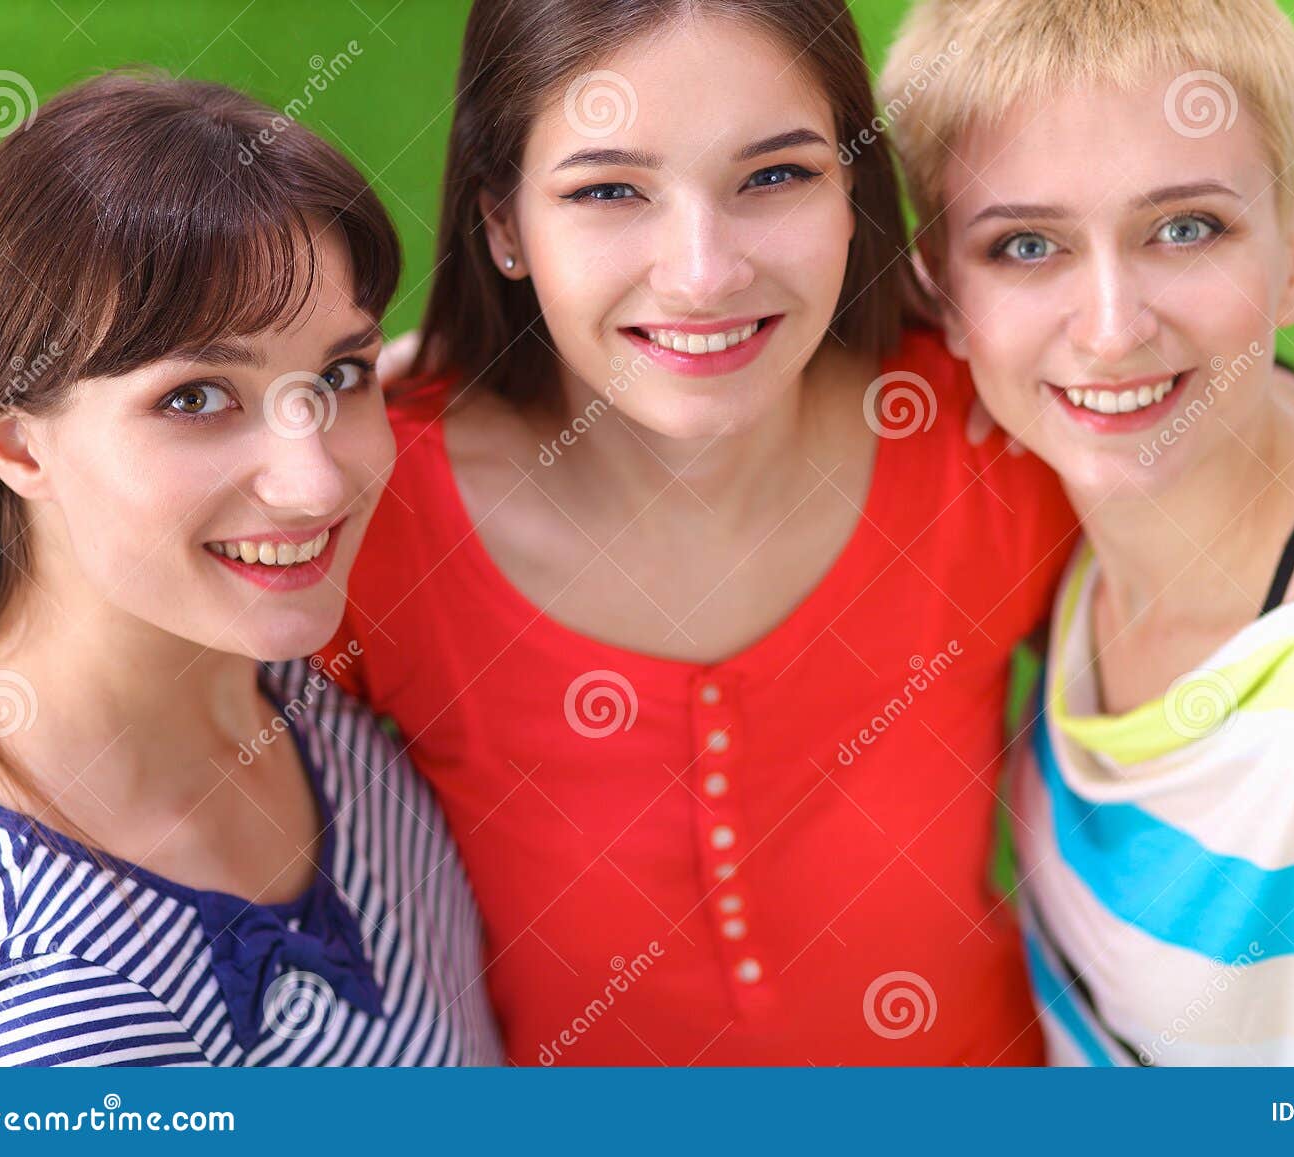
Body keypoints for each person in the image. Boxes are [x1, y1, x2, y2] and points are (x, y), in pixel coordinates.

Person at [329, 0, 1076, 1065]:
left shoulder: (980, 435)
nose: (702, 273)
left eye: (774, 176)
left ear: (854, 188)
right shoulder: (376, 513)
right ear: (501, 222)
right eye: (606, 190)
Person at [884, 0, 1294, 1064]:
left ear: (1289, 248)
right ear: (943, 291)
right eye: (1024, 244)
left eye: (1184, 227)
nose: (1111, 328)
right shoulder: (1112, 487)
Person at [0, 74, 501, 1066]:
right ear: (22, 448)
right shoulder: (47, 1011)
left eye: (338, 373)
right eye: (197, 396)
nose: (312, 482)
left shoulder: (267, 666)